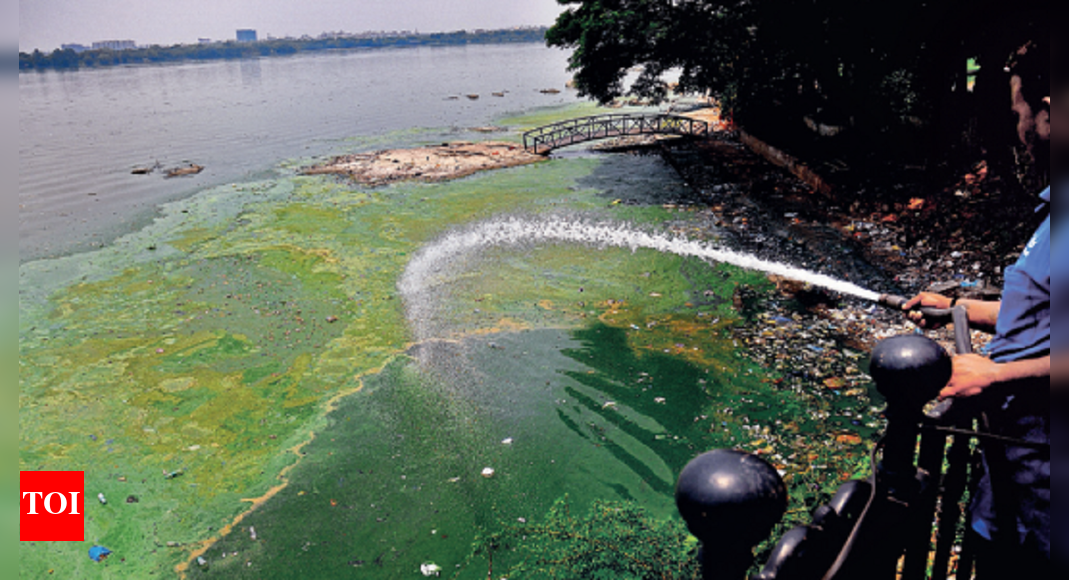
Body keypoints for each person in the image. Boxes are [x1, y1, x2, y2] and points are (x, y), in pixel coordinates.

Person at [903, 41, 1051, 578]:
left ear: (1050, 114)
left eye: (1020, 115)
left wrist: (995, 374)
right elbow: (1039, 316)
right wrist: (958, 308)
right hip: (1010, 491)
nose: (1019, 131)